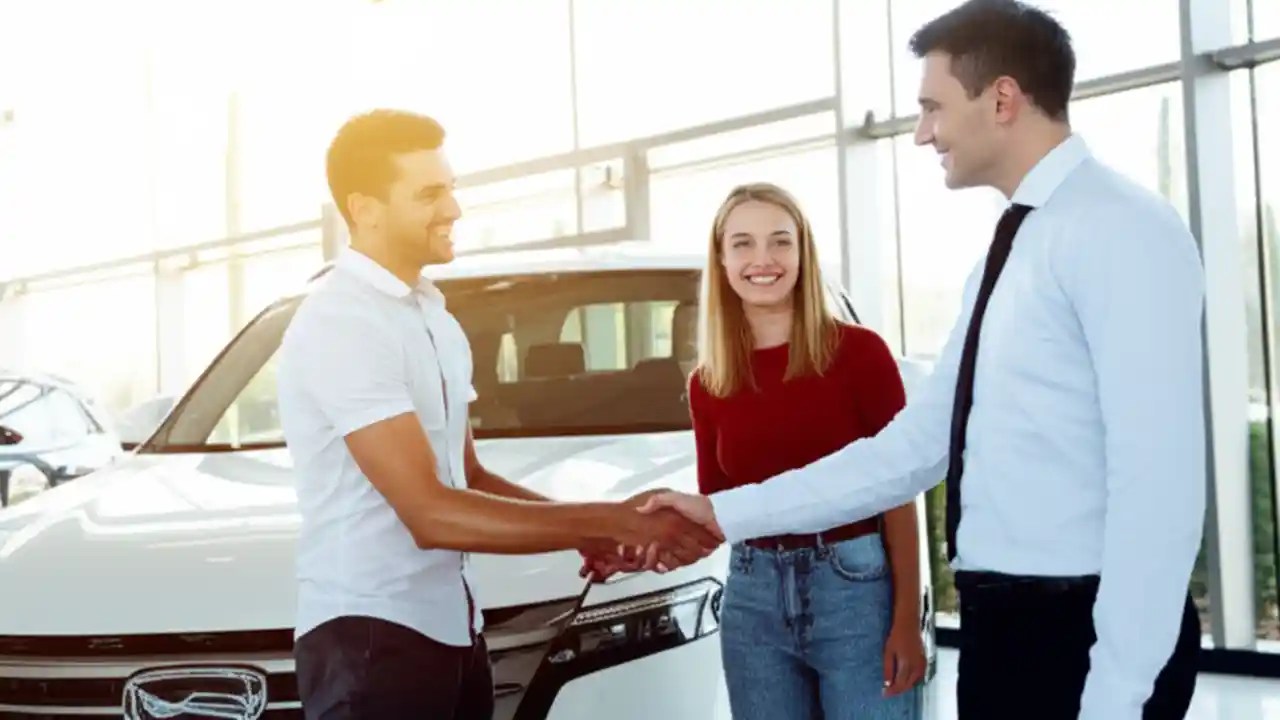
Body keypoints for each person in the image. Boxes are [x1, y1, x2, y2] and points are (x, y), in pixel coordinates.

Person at [638, 2, 1205, 719]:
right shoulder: (1010, 252)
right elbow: (908, 451)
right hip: (1010, 628)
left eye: (933, 107)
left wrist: (1121, 694)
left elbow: (1159, 488)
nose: (921, 133)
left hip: (1081, 634)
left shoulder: (1122, 230)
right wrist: (719, 511)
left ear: (1002, 98)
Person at [276, 108, 720, 720]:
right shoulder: (343, 322)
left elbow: (469, 479)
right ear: (365, 208)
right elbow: (430, 512)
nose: (453, 209)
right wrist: (618, 520)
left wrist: (592, 533)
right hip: (371, 641)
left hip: (451, 632)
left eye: (452, 189)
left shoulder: (432, 317)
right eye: (430, 193)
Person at [691, 182, 926, 719]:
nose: (763, 260)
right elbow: (717, 510)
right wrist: (632, 540)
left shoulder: (860, 354)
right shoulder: (709, 383)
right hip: (752, 599)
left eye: (780, 241)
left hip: (855, 593)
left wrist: (906, 620)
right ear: (722, 260)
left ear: (803, 253)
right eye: (743, 244)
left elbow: (898, 493)